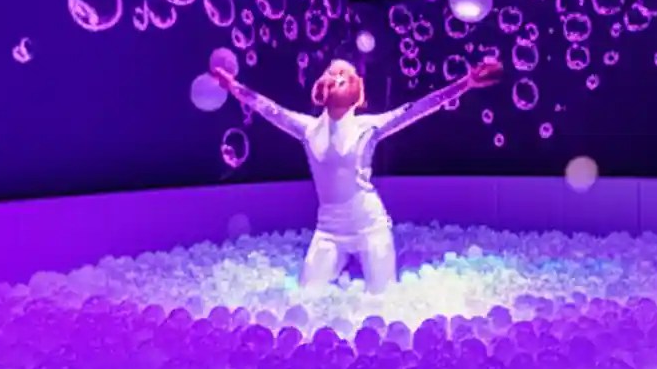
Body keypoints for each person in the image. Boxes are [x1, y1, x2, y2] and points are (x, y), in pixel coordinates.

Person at [211, 56, 503, 292]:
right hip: (328, 232)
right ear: (321, 87)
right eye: (333, 72)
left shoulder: (369, 126)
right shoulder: (307, 128)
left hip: (370, 227)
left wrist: (465, 83)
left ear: (357, 93)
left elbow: (420, 108)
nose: (338, 75)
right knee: (306, 297)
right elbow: (268, 109)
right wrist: (233, 86)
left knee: (382, 300)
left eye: (345, 74)